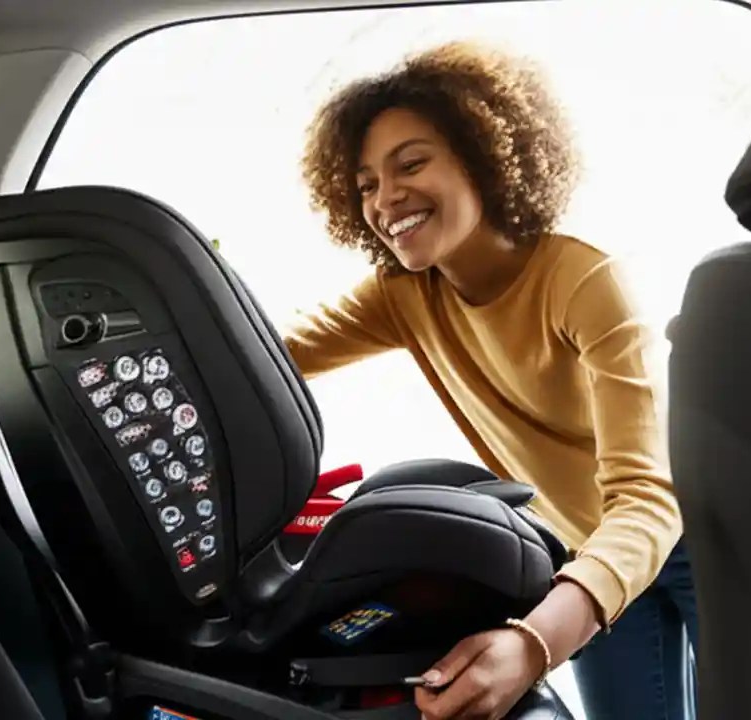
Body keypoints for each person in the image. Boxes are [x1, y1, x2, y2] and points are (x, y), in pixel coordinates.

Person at [283, 41, 697, 720]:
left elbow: (650, 501)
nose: (386, 199)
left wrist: (534, 643)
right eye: (365, 185)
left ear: (482, 156)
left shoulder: (583, 280)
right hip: (590, 549)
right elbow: (268, 359)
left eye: (411, 163)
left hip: (698, 532)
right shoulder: (401, 295)